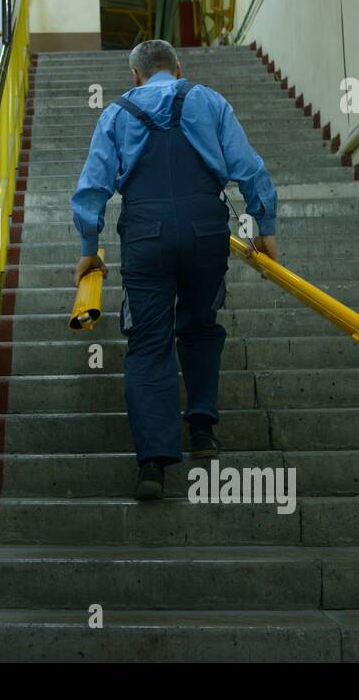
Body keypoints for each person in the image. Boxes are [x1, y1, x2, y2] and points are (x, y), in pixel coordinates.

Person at [71, 40, 278, 501]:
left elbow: (92, 188)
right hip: (207, 231)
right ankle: (202, 430)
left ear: (135, 76)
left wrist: (89, 247)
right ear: (179, 68)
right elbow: (250, 169)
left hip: (146, 235)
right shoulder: (209, 101)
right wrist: (265, 224)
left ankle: (153, 463)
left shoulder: (117, 114)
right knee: (201, 326)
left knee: (148, 342)